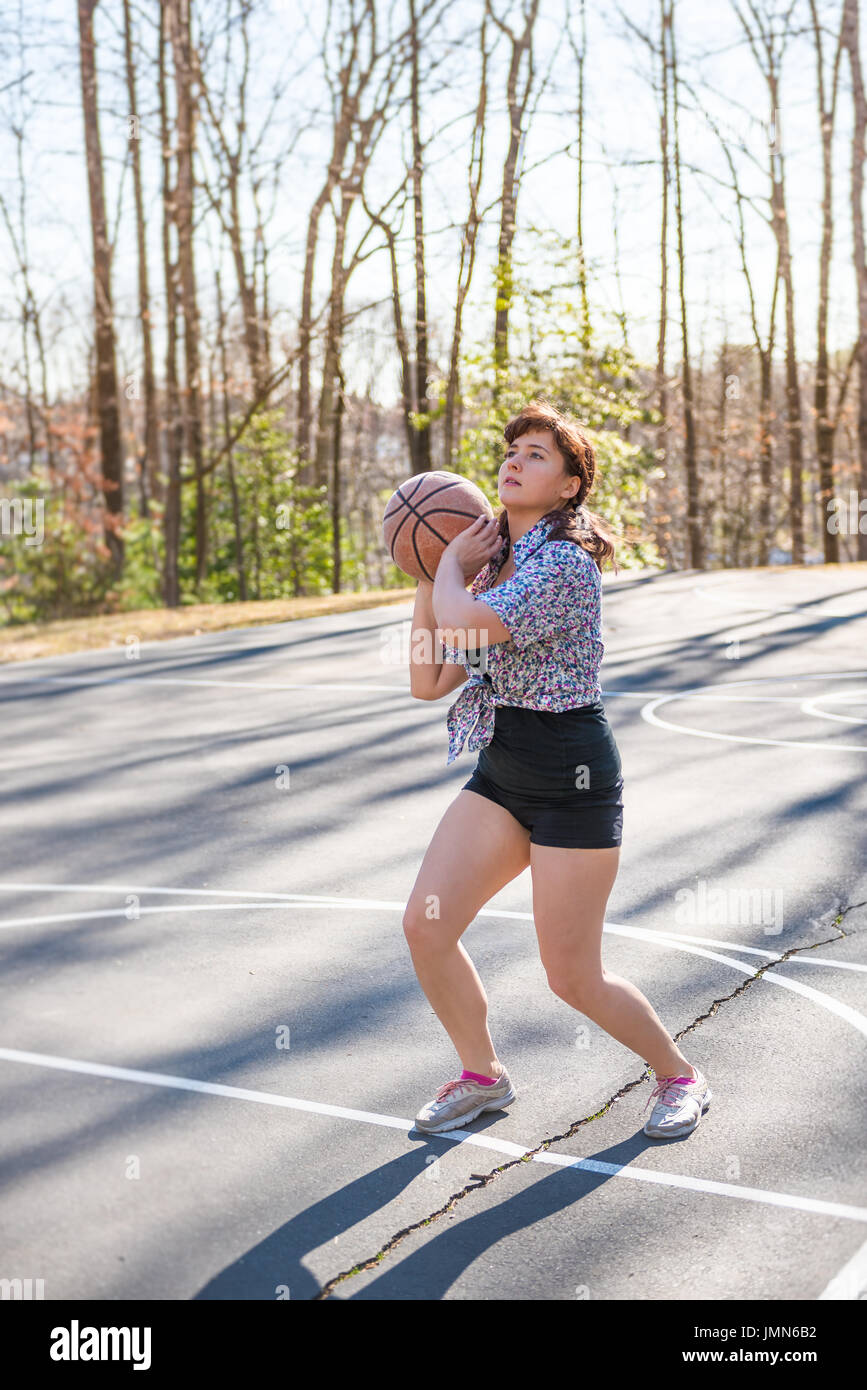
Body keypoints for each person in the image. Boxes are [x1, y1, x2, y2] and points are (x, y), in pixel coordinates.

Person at [404, 399, 711, 1141]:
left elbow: (471, 627)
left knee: (571, 977)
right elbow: (428, 682)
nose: (514, 459)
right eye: (512, 449)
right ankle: (482, 1076)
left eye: (537, 453)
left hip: (573, 779)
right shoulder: (486, 570)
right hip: (504, 772)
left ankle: (679, 1075)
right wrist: (424, 574)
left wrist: (445, 566)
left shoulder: (564, 566)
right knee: (425, 926)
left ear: (571, 485)